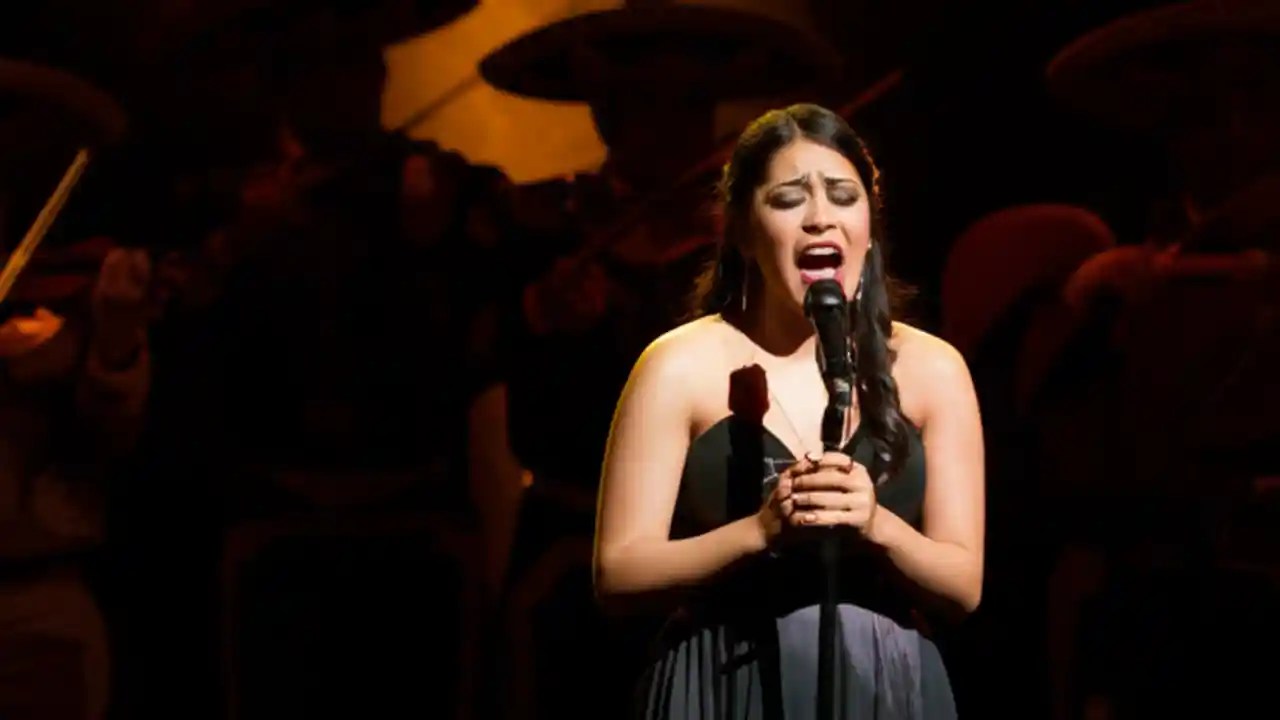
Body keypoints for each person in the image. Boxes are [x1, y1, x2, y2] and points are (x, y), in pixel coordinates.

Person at [594, 103, 985, 718]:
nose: (820, 218)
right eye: (788, 200)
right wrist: (757, 532)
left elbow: (963, 585)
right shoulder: (678, 365)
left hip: (884, 681)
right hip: (723, 682)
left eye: (843, 197)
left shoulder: (933, 368)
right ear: (742, 229)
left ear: (869, 225)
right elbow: (618, 572)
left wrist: (877, 526)